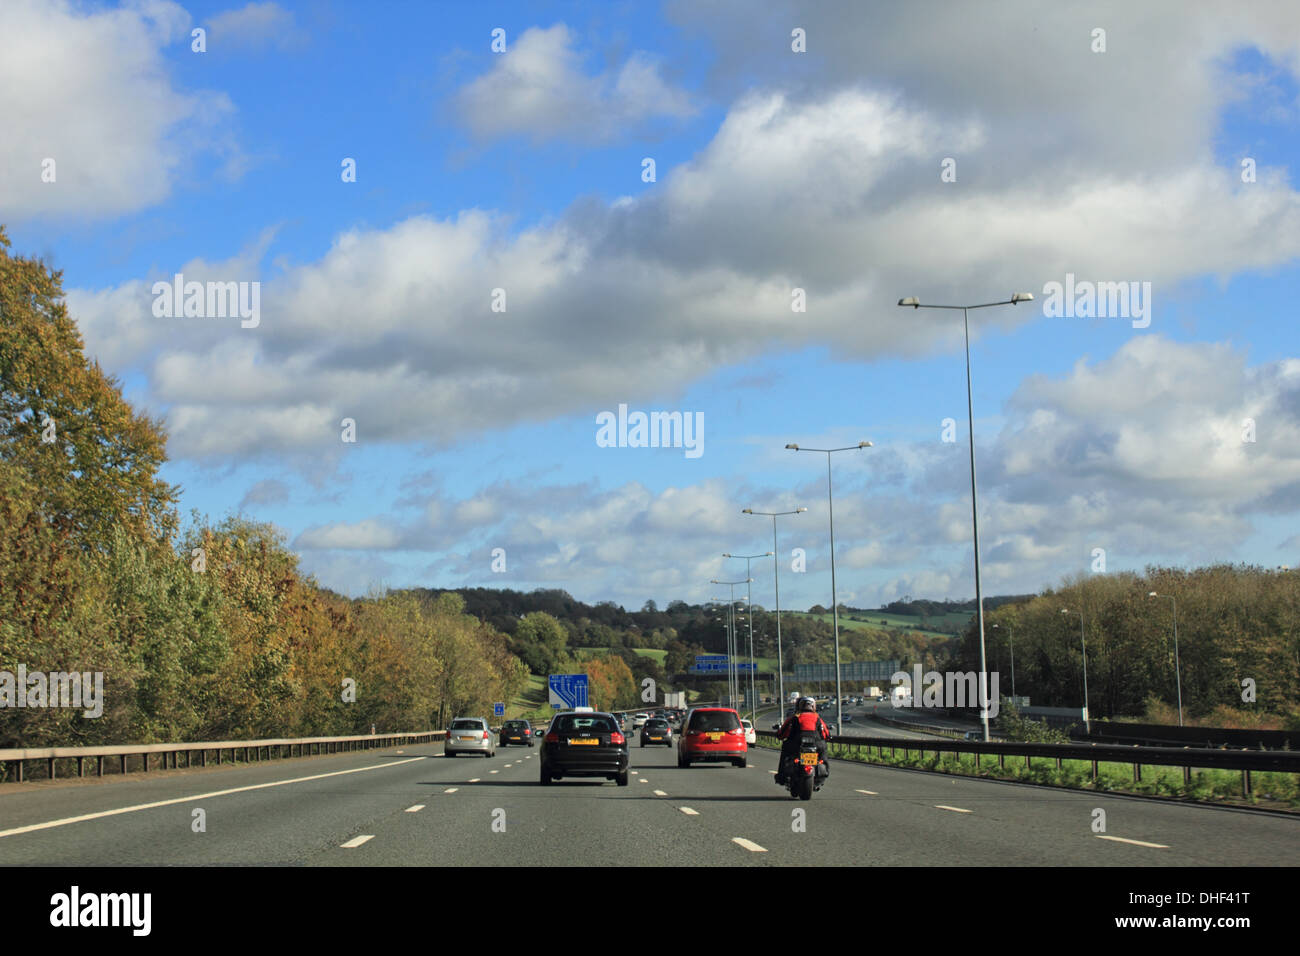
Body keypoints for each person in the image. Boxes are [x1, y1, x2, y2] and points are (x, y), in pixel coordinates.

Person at [775, 696, 831, 785]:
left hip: (797, 744)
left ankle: (781, 776)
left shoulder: (795, 717)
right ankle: (825, 772)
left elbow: (783, 733)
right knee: (823, 752)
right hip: (816, 744)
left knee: (785, 750)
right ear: (813, 706)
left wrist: (779, 735)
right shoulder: (817, 718)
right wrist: (827, 738)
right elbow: (826, 734)